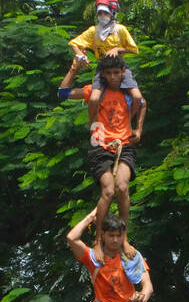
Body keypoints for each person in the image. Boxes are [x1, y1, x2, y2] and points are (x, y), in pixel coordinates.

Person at [59, 53, 146, 240]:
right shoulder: (97, 91)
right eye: (108, 73)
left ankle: (124, 237)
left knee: (122, 187)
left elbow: (143, 104)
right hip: (100, 143)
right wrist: (74, 69)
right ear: (103, 75)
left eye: (116, 72)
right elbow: (63, 93)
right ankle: (98, 238)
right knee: (108, 190)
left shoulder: (129, 93)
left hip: (124, 144)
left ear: (123, 72)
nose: (113, 77)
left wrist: (138, 130)